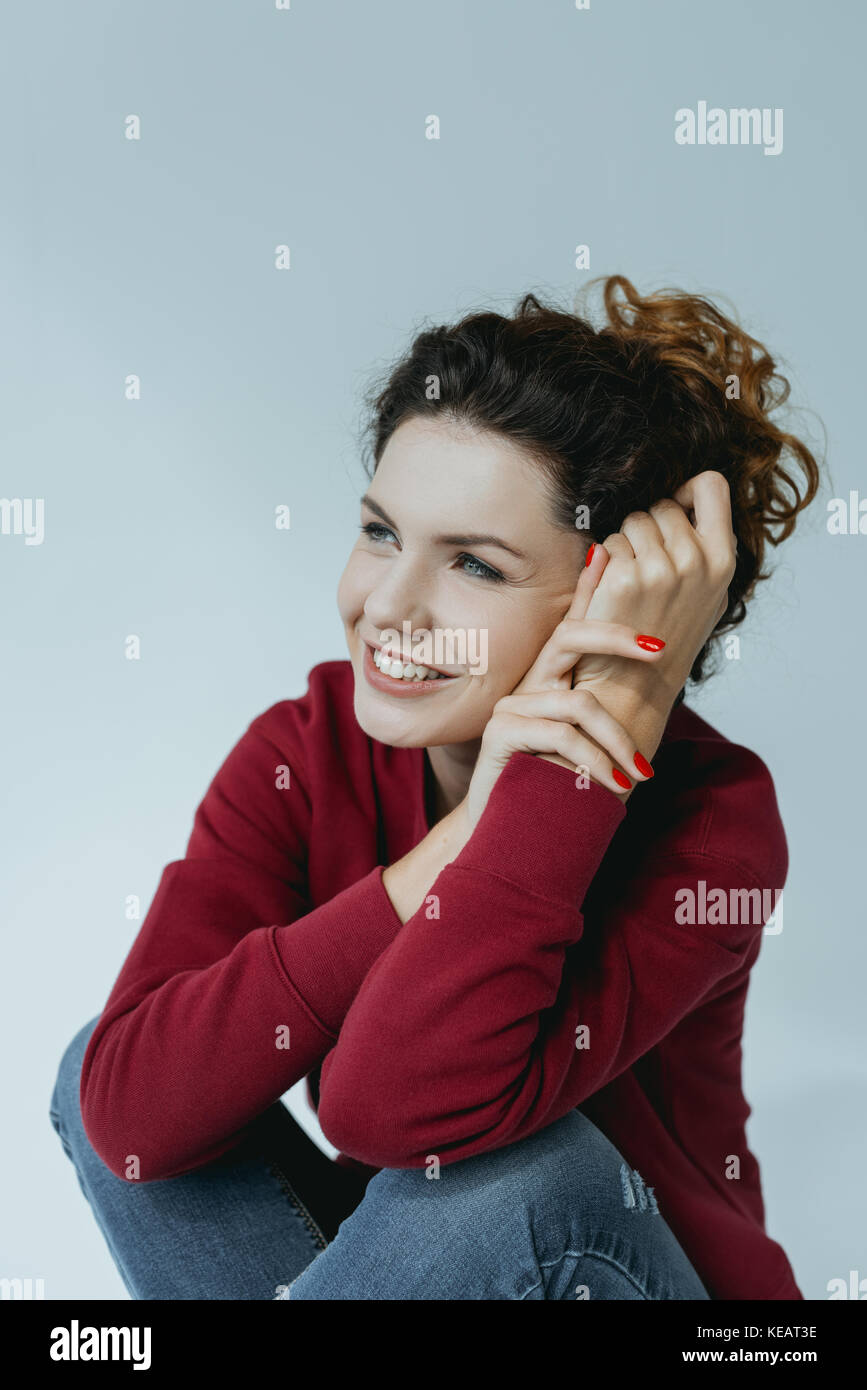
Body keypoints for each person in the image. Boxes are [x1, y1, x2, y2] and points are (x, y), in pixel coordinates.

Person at [50, 275, 818, 1300]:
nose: (390, 608)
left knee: (514, 1181)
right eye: (380, 533)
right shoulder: (305, 749)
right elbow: (129, 1120)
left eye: (477, 566)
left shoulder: (714, 821)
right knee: (118, 1065)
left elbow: (392, 1116)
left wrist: (572, 769)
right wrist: (434, 864)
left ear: (615, 603)